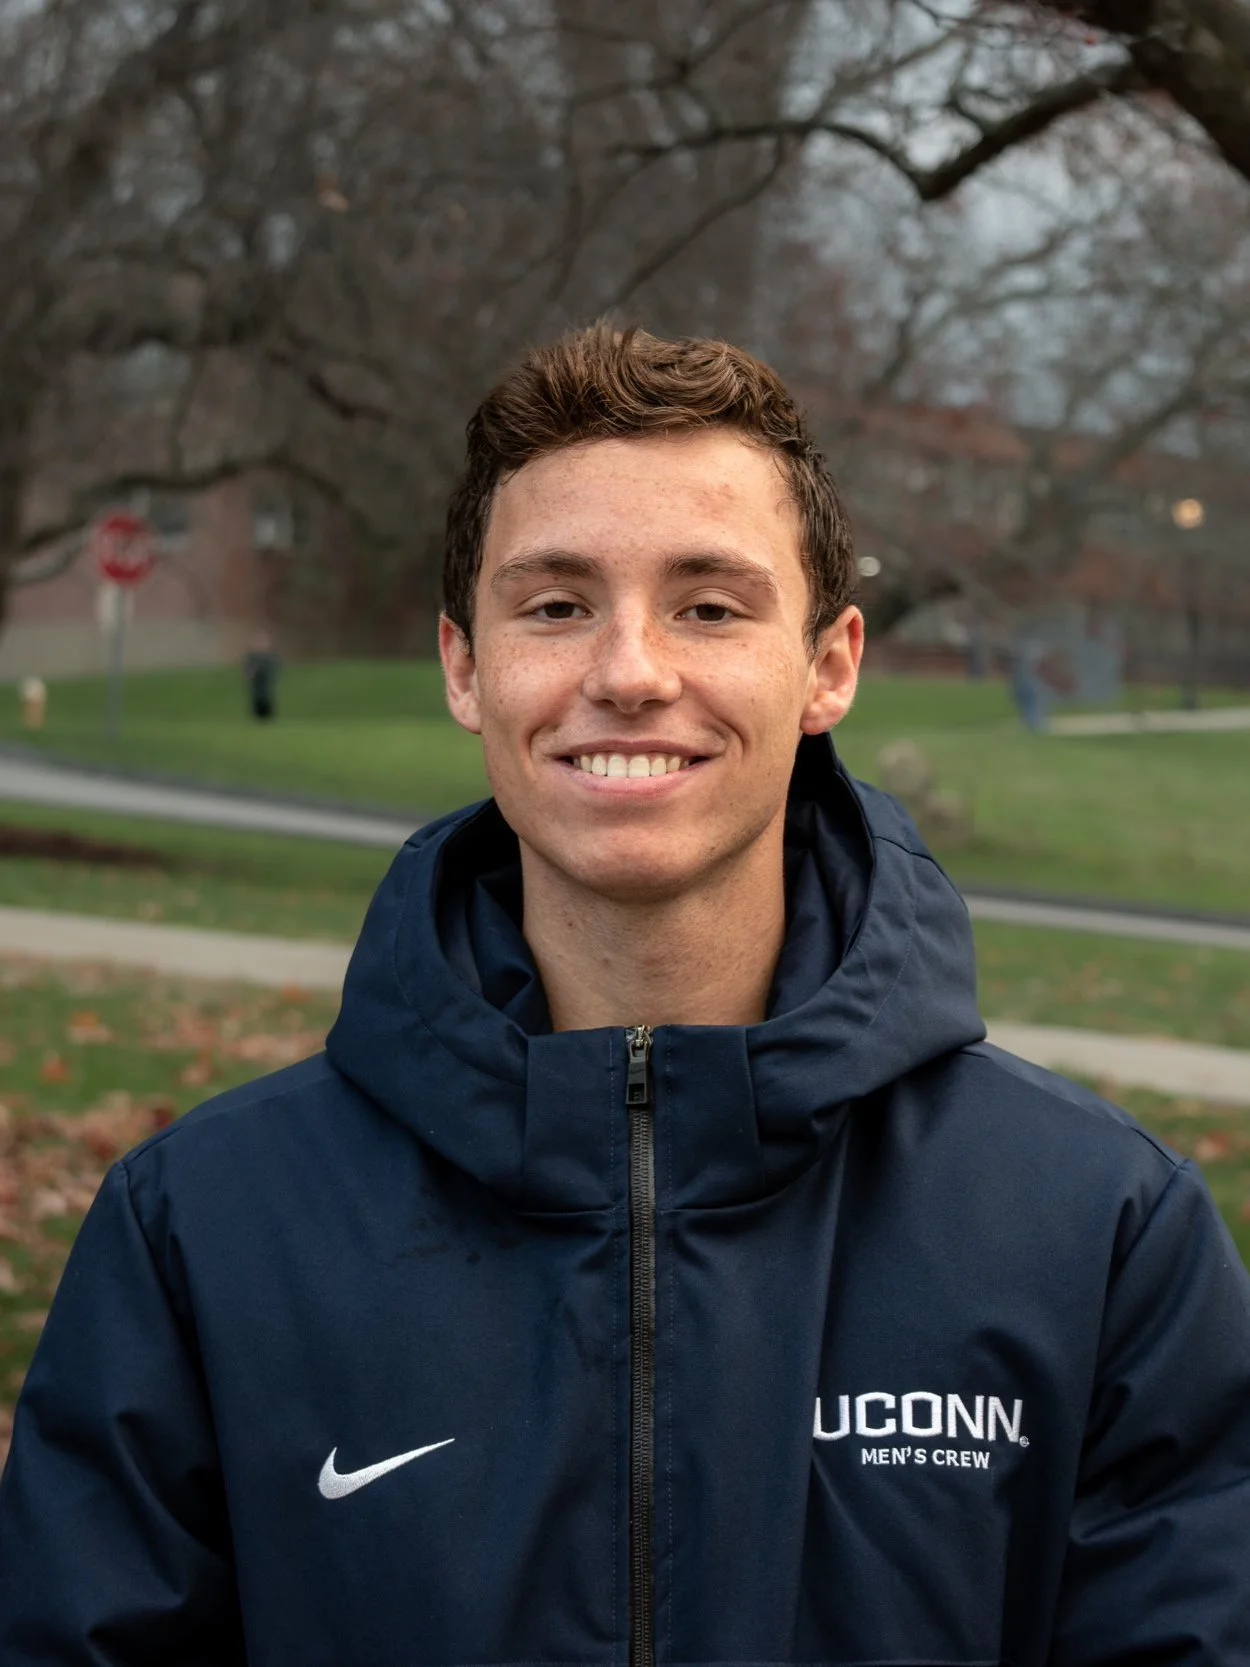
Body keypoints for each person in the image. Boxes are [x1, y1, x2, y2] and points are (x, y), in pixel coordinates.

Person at [1, 324, 1248, 1664]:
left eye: (709, 605)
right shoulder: (205, 1229)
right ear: (464, 667)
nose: (629, 669)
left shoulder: (1096, 1228)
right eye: (554, 605)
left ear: (828, 664)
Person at [243, 630, 281, 720]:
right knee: (257, 703)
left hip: (266, 688)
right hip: (256, 688)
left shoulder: (270, 657)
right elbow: (248, 672)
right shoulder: (252, 657)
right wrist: (252, 672)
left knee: (267, 702)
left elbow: (276, 669)